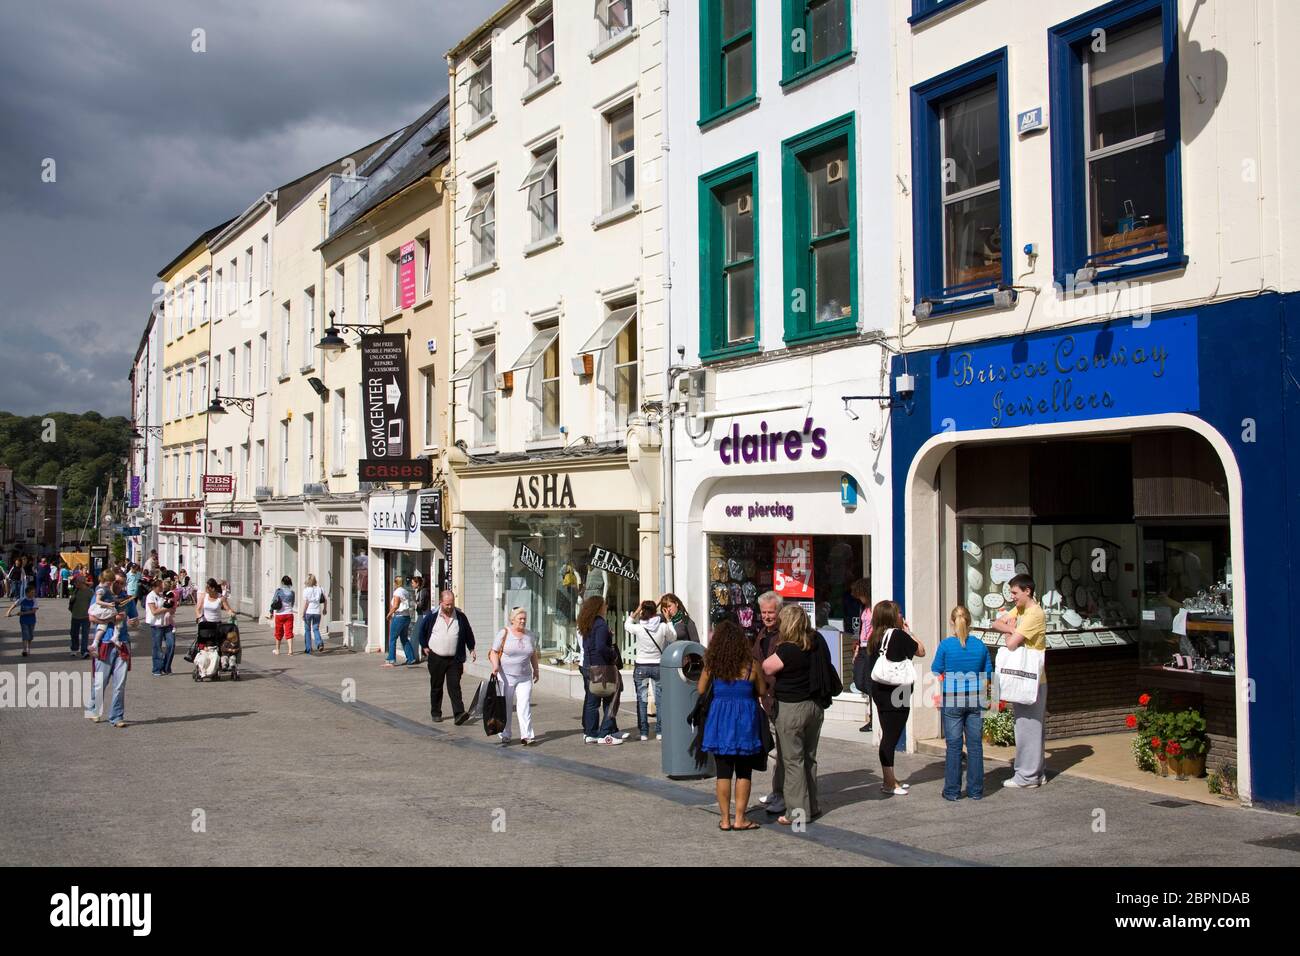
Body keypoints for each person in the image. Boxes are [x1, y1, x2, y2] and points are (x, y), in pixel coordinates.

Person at [698, 619, 766, 831]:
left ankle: (725, 819)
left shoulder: (713, 665)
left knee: (723, 772)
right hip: (745, 720)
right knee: (744, 771)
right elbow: (762, 691)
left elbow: (701, 689)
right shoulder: (751, 665)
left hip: (720, 720)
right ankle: (740, 819)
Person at [762, 605, 825, 825]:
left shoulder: (787, 649)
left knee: (792, 761)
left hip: (792, 708)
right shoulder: (815, 643)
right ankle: (812, 805)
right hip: (815, 707)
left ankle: (797, 812)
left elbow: (767, 667)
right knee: (809, 758)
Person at [990, 573, 1048, 789]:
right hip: (1029, 677)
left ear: (1027, 591)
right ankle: (1035, 773)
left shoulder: (1034, 614)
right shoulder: (1022, 610)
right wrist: (1012, 627)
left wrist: (1009, 632)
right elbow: (996, 622)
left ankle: (1027, 776)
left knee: (1027, 728)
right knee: (1029, 727)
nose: (1012, 597)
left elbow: (1012, 644)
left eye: (1015, 593)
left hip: (1032, 679)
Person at [861, 599, 924, 795]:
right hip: (899, 691)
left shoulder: (875, 637)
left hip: (880, 690)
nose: (900, 616)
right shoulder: (898, 635)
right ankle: (889, 782)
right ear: (891, 616)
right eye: (898, 613)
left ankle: (890, 778)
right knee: (891, 736)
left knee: (888, 733)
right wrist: (909, 631)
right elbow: (921, 650)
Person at [932, 605, 992, 801]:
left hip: (953, 698)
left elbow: (936, 669)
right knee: (975, 746)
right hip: (976, 698)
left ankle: (952, 791)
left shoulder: (946, 645)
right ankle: (975, 791)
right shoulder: (980, 645)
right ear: (970, 622)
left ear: (952, 622)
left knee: (954, 746)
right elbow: (988, 674)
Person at [751, 590, 785, 815]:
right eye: (763, 612)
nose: (767, 616)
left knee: (783, 751)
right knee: (774, 750)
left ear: (779, 612)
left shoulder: (784, 635)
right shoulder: (762, 633)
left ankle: (783, 795)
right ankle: (776, 790)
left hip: (782, 697)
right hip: (766, 698)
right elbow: (756, 662)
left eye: (770, 612)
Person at [489, 607, 539, 746]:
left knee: (524, 706)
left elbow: (533, 653)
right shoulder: (504, 633)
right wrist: (495, 666)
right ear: (512, 620)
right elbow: (494, 652)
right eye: (520, 618)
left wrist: (536, 669)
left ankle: (527, 736)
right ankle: (505, 734)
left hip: (525, 677)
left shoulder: (530, 635)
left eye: (524, 618)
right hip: (506, 676)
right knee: (506, 706)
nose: (523, 621)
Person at [577, 596, 623, 745]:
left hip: (588, 665)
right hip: (601, 667)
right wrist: (613, 654)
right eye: (604, 604)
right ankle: (605, 733)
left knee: (592, 702)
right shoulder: (601, 624)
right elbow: (601, 647)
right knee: (612, 699)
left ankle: (590, 733)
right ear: (599, 607)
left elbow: (589, 645)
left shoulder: (587, 623)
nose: (607, 606)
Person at [426, 588, 477, 724]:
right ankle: (436, 712)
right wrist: (424, 646)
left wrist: (471, 648)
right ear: (441, 602)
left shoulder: (460, 616)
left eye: (452, 603)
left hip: (454, 659)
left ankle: (459, 714)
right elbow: (423, 630)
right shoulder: (432, 616)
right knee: (436, 686)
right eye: (447, 604)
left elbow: (468, 632)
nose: (450, 606)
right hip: (436, 657)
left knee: (454, 686)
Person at [627, 599, 673, 741]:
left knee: (642, 700)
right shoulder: (663, 627)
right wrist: (668, 620)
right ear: (655, 612)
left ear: (643, 611)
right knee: (660, 700)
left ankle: (644, 733)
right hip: (658, 666)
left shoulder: (639, 628)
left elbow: (626, 625)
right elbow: (674, 637)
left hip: (641, 666)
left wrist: (635, 611)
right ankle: (660, 731)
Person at [382, 575, 417, 668]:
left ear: (396, 583)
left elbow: (396, 605)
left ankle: (391, 659)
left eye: (394, 582)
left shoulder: (397, 592)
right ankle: (411, 658)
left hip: (399, 617)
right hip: (406, 617)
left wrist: (389, 614)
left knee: (392, 638)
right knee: (404, 638)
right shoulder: (405, 591)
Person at [146, 576, 177, 676]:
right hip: (157, 625)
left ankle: (166, 667)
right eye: (160, 587)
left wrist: (171, 607)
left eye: (162, 587)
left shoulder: (163, 595)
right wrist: (165, 608)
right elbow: (154, 611)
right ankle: (156, 668)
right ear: (154, 587)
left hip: (167, 624)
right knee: (157, 647)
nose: (162, 588)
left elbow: (172, 608)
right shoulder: (151, 596)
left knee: (171, 644)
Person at [6, 583, 38, 656]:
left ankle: (29, 648)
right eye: (32, 592)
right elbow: (14, 605)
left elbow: (33, 611)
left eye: (34, 592)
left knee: (30, 636)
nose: (33, 594)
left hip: (32, 620)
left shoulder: (34, 600)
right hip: (23, 621)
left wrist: (23, 613)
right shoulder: (22, 599)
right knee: (25, 634)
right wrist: (8, 612)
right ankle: (24, 650)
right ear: (27, 593)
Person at [268, 575, 296, 656]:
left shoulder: (279, 591)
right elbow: (293, 603)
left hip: (280, 614)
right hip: (289, 614)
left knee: (278, 632)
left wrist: (271, 612)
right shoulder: (292, 592)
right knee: (289, 632)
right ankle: (290, 650)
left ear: (282, 582)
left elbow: (273, 602)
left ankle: (277, 650)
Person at [68, 572, 94, 659]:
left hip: (86, 617)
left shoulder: (90, 592)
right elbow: (71, 602)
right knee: (74, 633)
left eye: (77, 583)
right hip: (75, 615)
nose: (75, 584)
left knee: (85, 634)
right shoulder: (76, 591)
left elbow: (93, 604)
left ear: (82, 583)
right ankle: (74, 649)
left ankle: (84, 651)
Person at [301, 573, 325, 654]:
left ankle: (308, 648)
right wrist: (325, 609)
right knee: (316, 629)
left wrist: (303, 613)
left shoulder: (306, 590)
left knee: (307, 630)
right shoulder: (320, 588)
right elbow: (325, 600)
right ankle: (319, 643)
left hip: (308, 612)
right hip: (317, 612)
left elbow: (306, 603)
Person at [409, 571, 431, 663]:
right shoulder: (419, 591)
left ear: (417, 583)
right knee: (419, 635)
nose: (411, 584)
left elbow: (423, 605)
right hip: (421, 615)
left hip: (424, 615)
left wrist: (415, 603)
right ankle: (418, 655)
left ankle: (415, 657)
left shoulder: (423, 591)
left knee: (415, 636)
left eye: (413, 583)